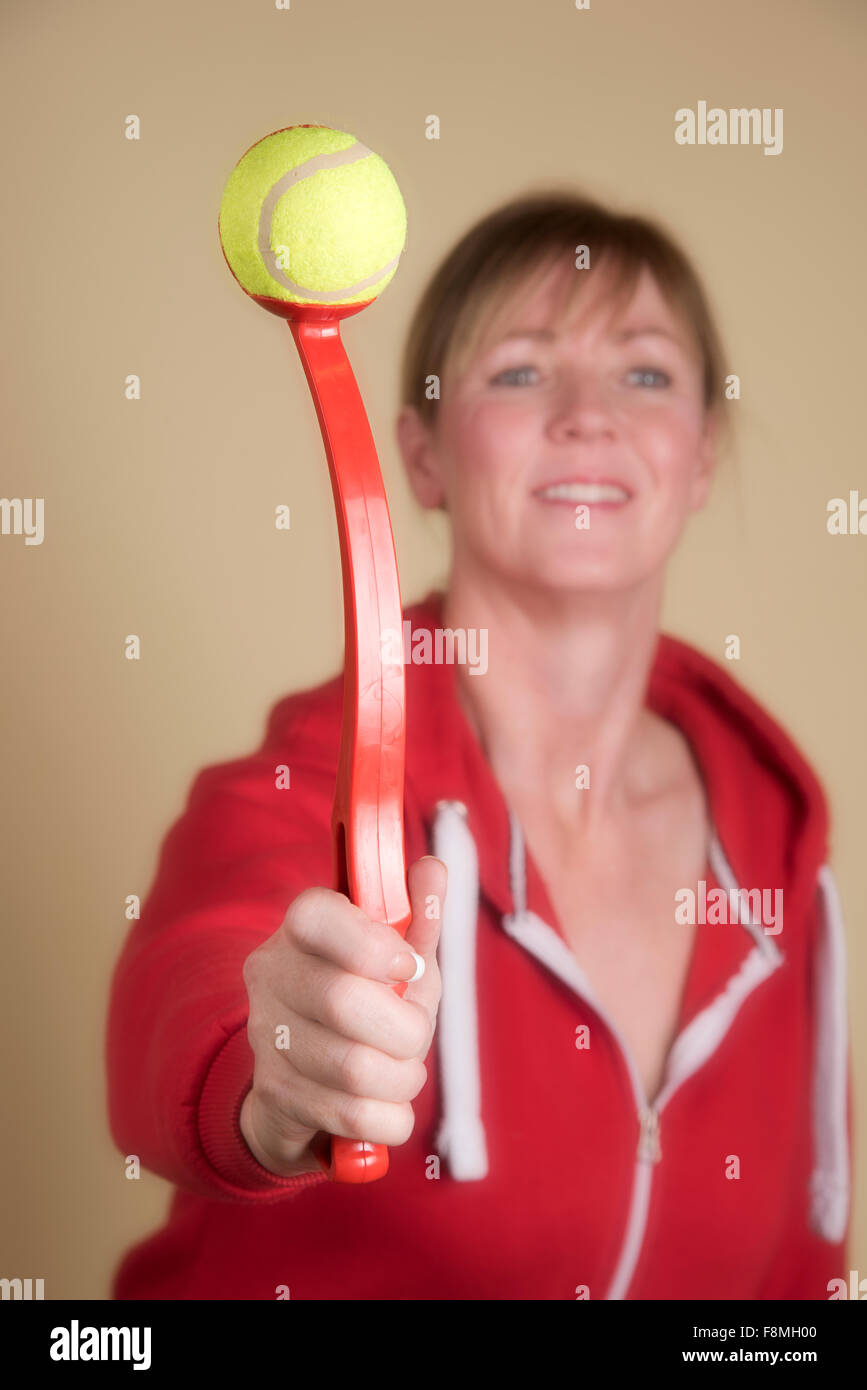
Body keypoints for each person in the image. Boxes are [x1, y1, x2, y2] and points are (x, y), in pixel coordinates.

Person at [107, 191, 851, 1300]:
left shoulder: (771, 840)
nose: (588, 412)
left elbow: (789, 1271)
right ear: (424, 458)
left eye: (644, 372)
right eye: (518, 369)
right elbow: (191, 996)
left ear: (701, 456)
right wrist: (269, 1078)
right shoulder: (306, 775)